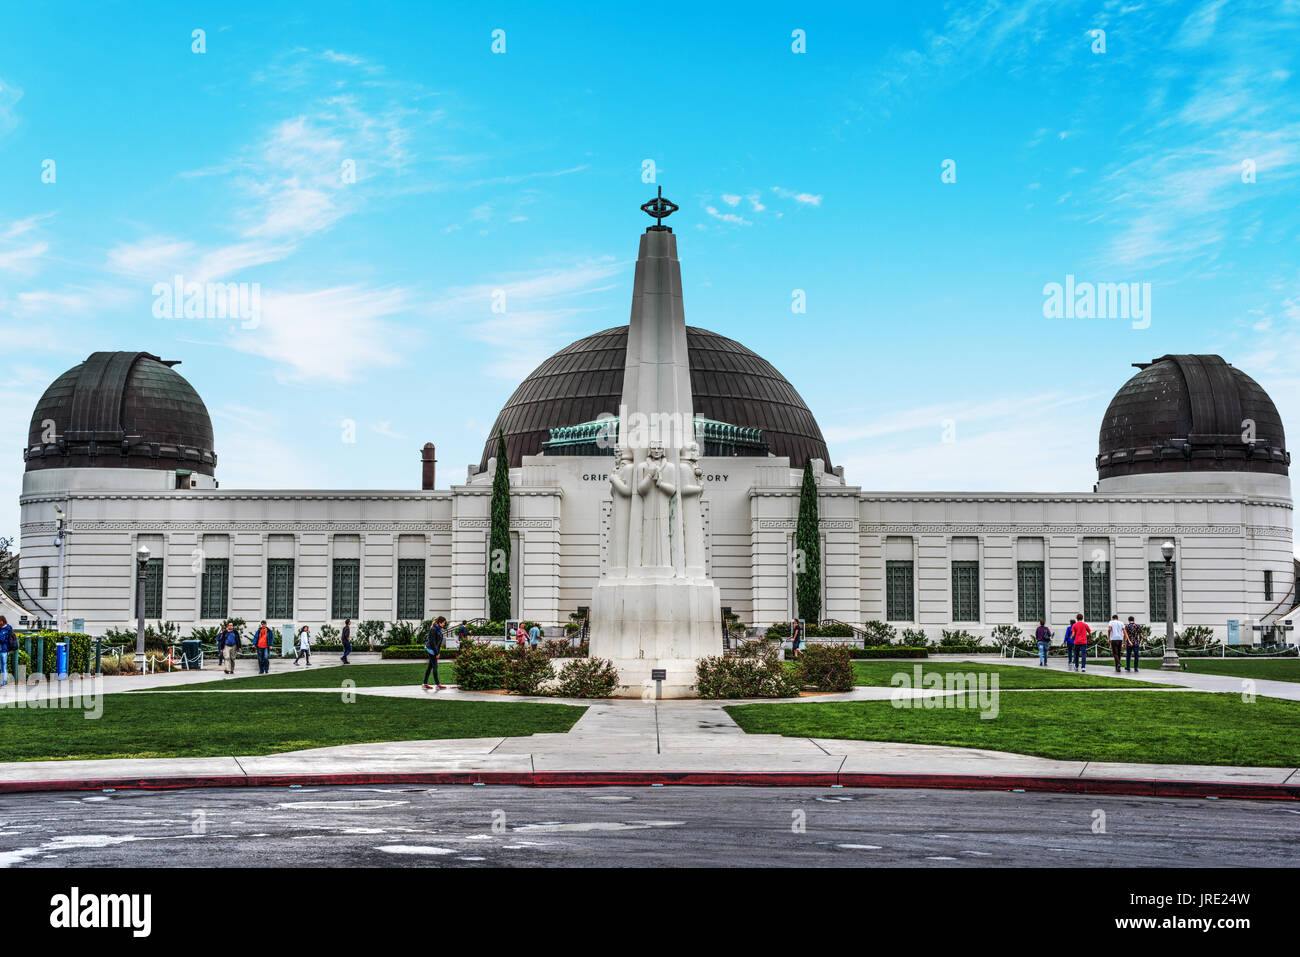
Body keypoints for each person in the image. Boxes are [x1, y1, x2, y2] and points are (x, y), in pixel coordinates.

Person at [423, 616, 447, 691]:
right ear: (440, 622)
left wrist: (438, 652)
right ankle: (438, 684)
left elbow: (438, 643)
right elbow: (433, 642)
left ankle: (425, 684)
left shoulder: (439, 629)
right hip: (431, 650)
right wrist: (436, 653)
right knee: (435, 667)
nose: (444, 624)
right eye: (443, 623)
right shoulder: (433, 629)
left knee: (430, 667)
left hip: (435, 650)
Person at [0, 615, 13, 687]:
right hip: (1, 650)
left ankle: (4, 682)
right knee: (1, 667)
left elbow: (2, 639)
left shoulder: (7, 629)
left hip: (4, 650)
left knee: (4, 666)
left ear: (2, 621)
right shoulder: (1, 629)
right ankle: (2, 681)